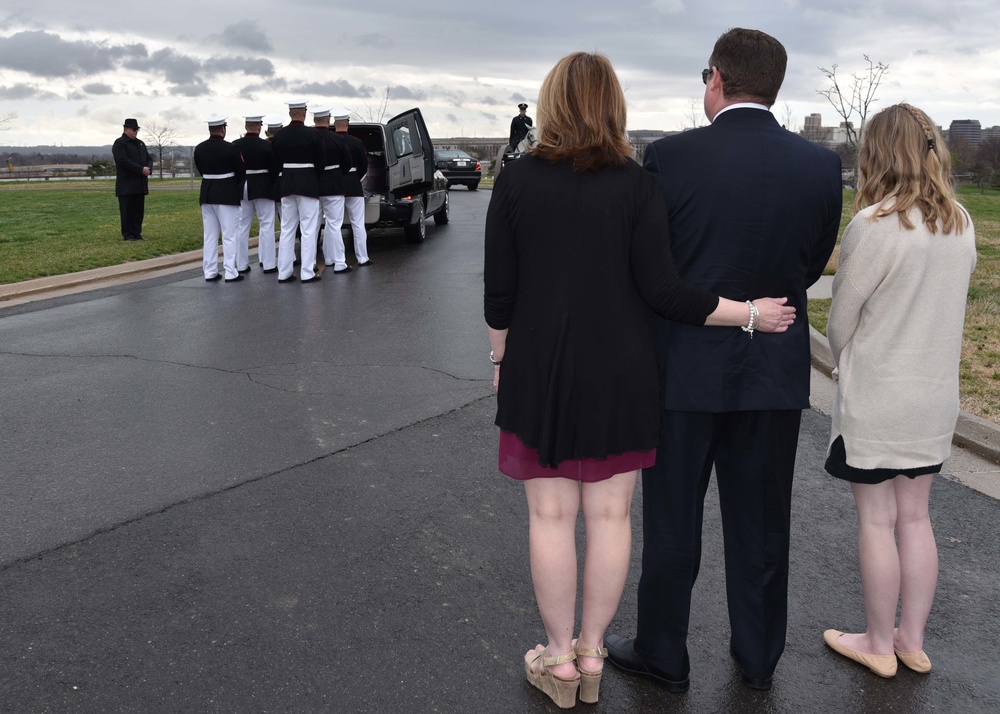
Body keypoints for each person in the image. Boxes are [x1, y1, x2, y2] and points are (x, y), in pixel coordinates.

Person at [484, 51, 796, 709]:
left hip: (539, 368)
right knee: (610, 514)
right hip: (624, 372)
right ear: (613, 106)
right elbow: (665, 291)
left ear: (550, 103)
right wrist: (751, 315)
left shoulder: (514, 182)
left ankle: (560, 660)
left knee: (550, 514)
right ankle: (594, 653)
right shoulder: (636, 183)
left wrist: (500, 362)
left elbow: (500, 294)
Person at [605, 28, 843, 692]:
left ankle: (663, 651)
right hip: (772, 367)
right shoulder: (820, 167)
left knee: (673, 521)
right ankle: (759, 656)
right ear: (774, 86)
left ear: (716, 77)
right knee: (763, 524)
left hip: (682, 369)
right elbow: (811, 261)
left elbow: (650, 266)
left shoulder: (671, 158)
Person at [821, 104, 976, 679]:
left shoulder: (873, 225)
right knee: (917, 518)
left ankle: (878, 643)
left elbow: (841, 322)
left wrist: (846, 363)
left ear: (877, 153)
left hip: (879, 396)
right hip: (935, 395)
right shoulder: (960, 222)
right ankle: (911, 639)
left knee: (877, 521)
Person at [271, 100, 326, 283]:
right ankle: (307, 272)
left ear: (289, 113)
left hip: (287, 183)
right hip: (308, 183)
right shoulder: (313, 134)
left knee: (287, 228)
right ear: (304, 113)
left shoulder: (279, 136)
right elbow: (321, 162)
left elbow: (275, 162)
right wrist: (311, 177)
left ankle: (284, 272)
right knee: (308, 229)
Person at [193, 115, 246, 282]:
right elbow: (241, 172)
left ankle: (209, 271)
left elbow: (201, 171)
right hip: (226, 193)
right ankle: (230, 271)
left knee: (210, 235)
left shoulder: (200, 148)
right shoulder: (231, 148)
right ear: (223, 129)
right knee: (229, 234)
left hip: (207, 193)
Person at [232, 115, 280, 273]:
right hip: (263, 186)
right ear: (259, 127)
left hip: (243, 185)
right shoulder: (266, 146)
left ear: (246, 127)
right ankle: (268, 263)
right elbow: (274, 168)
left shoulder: (235, 145)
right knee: (266, 225)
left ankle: (241, 264)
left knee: (242, 226)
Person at [311, 106, 353, 273]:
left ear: (314, 120)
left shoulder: (310, 138)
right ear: (328, 120)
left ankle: (312, 261)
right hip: (334, 186)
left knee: (312, 227)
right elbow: (347, 163)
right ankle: (338, 262)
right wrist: (337, 175)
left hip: (313, 186)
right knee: (334, 224)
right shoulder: (337, 139)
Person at [334, 110, 371, 270]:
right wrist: (355, 177)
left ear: (335, 124)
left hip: (335, 184)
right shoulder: (356, 142)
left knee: (333, 224)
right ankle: (362, 257)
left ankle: (332, 258)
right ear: (347, 124)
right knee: (358, 223)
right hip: (353, 184)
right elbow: (364, 166)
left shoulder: (331, 140)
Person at [112, 118, 152, 241]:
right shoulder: (120, 143)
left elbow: (149, 158)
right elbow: (123, 161)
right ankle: (128, 234)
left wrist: (149, 168)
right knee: (127, 211)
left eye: (137, 129)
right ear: (126, 129)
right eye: (134, 129)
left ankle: (137, 233)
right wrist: (140, 169)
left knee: (138, 211)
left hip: (140, 184)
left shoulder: (140, 144)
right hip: (127, 185)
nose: (136, 132)